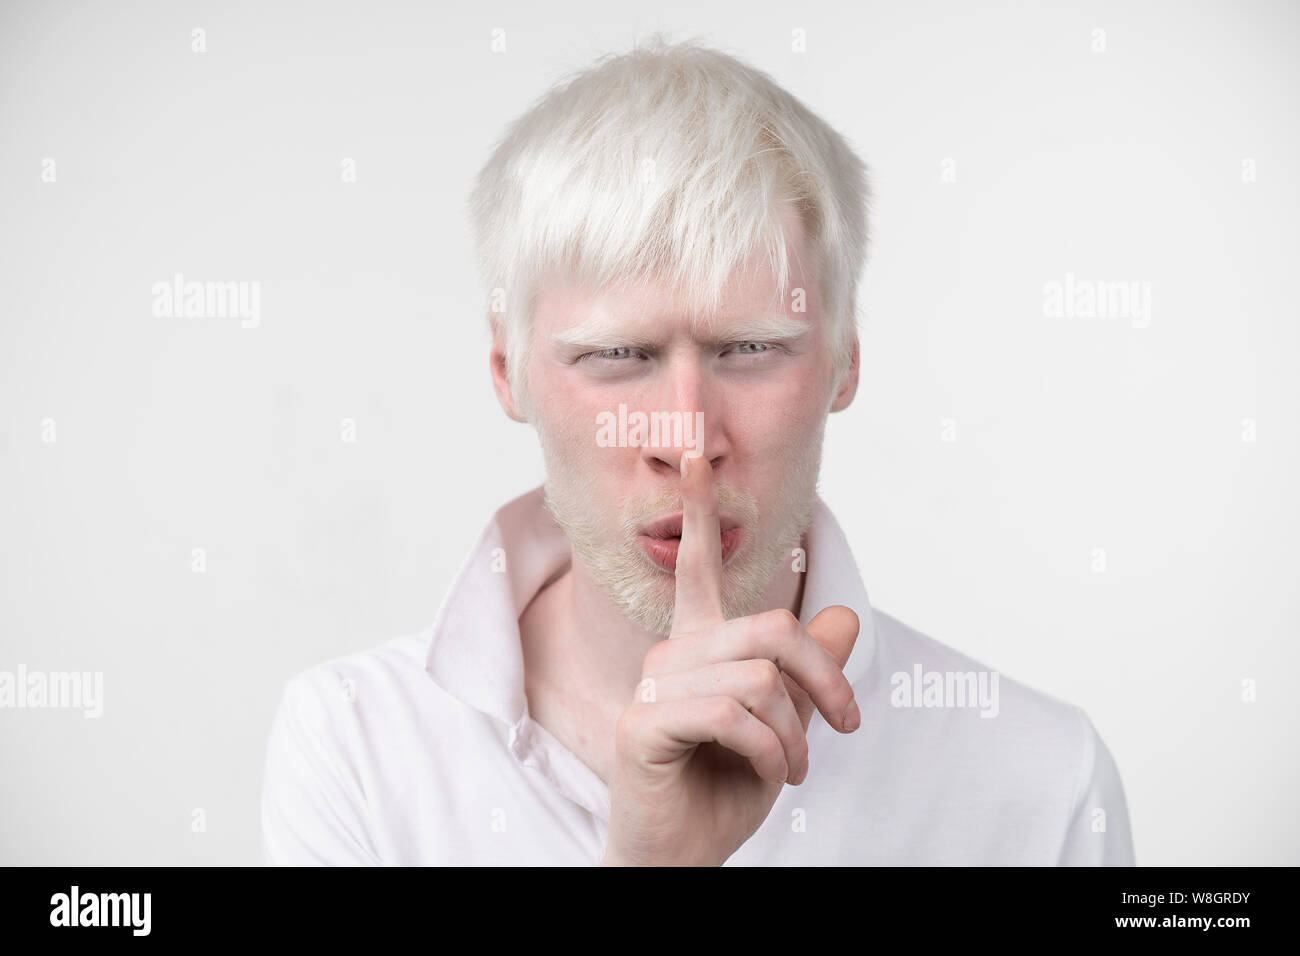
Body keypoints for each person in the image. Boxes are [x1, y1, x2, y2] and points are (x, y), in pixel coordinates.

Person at [261, 36, 1134, 866]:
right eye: (617, 356)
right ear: (507, 373)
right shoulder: (358, 746)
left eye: (748, 349)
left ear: (846, 359)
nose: (687, 441)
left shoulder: (1039, 781)